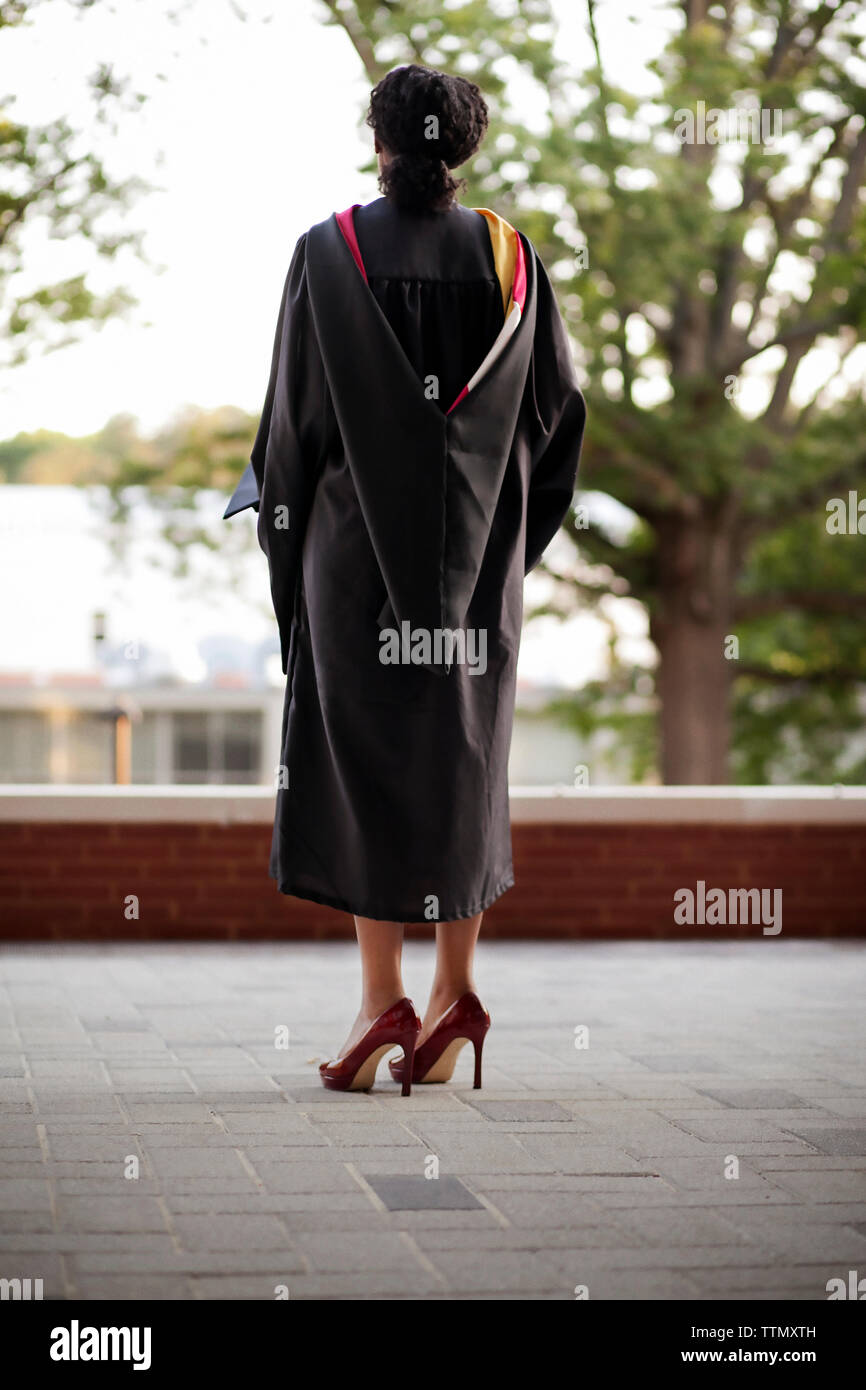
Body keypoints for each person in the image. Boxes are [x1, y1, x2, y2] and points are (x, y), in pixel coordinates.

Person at [224, 64, 586, 1096]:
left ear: (377, 139)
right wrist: (503, 547)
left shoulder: (327, 255)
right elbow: (553, 424)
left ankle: (378, 998)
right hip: (478, 580)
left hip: (350, 571)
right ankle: (454, 995)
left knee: (362, 767)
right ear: (462, 151)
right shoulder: (511, 262)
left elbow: (290, 433)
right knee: (463, 763)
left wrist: (290, 573)